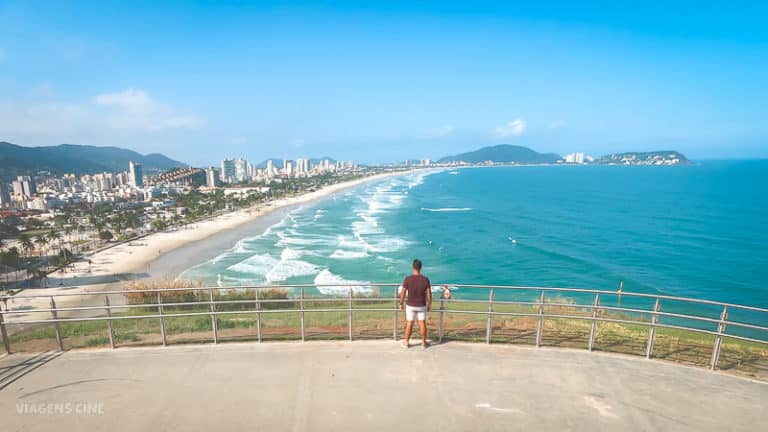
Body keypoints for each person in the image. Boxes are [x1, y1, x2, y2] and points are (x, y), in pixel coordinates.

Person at [399, 258, 432, 348]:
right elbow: (429, 294)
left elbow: (403, 293)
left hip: (410, 305)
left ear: (413, 267)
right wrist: (429, 304)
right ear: (421, 267)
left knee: (409, 323)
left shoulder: (407, 279)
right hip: (422, 305)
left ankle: (406, 342)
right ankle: (424, 343)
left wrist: (401, 303)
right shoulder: (425, 279)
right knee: (422, 323)